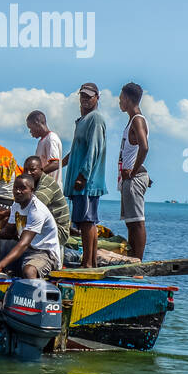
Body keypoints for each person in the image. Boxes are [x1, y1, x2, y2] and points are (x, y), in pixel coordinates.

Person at [63, 82, 108, 268]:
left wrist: (83, 175)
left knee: (87, 221)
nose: (85, 99)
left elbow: (94, 150)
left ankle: (87, 262)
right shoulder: (83, 120)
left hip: (87, 182)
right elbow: (76, 151)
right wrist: (57, 164)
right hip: (79, 182)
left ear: (97, 97)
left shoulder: (95, 118)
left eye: (89, 96)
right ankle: (91, 261)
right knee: (86, 221)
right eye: (82, 96)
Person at [117, 82, 151, 260]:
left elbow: (144, 147)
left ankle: (138, 262)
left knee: (137, 222)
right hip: (129, 178)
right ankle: (132, 260)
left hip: (132, 178)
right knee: (130, 223)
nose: (119, 101)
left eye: (121, 98)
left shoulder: (138, 119)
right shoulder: (131, 120)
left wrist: (134, 171)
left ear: (128, 99)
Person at [23, 154, 71, 243]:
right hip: (46, 225)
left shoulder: (47, 184)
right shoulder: (34, 182)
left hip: (59, 230)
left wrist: (7, 212)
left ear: (41, 170)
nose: (28, 173)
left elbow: (33, 206)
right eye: (26, 170)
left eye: (32, 170)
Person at [27, 110, 63, 183]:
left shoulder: (51, 138)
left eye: (30, 128)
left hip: (51, 189)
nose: (30, 131)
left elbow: (55, 164)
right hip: (43, 186)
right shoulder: (42, 141)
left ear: (36, 123)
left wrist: (36, 175)